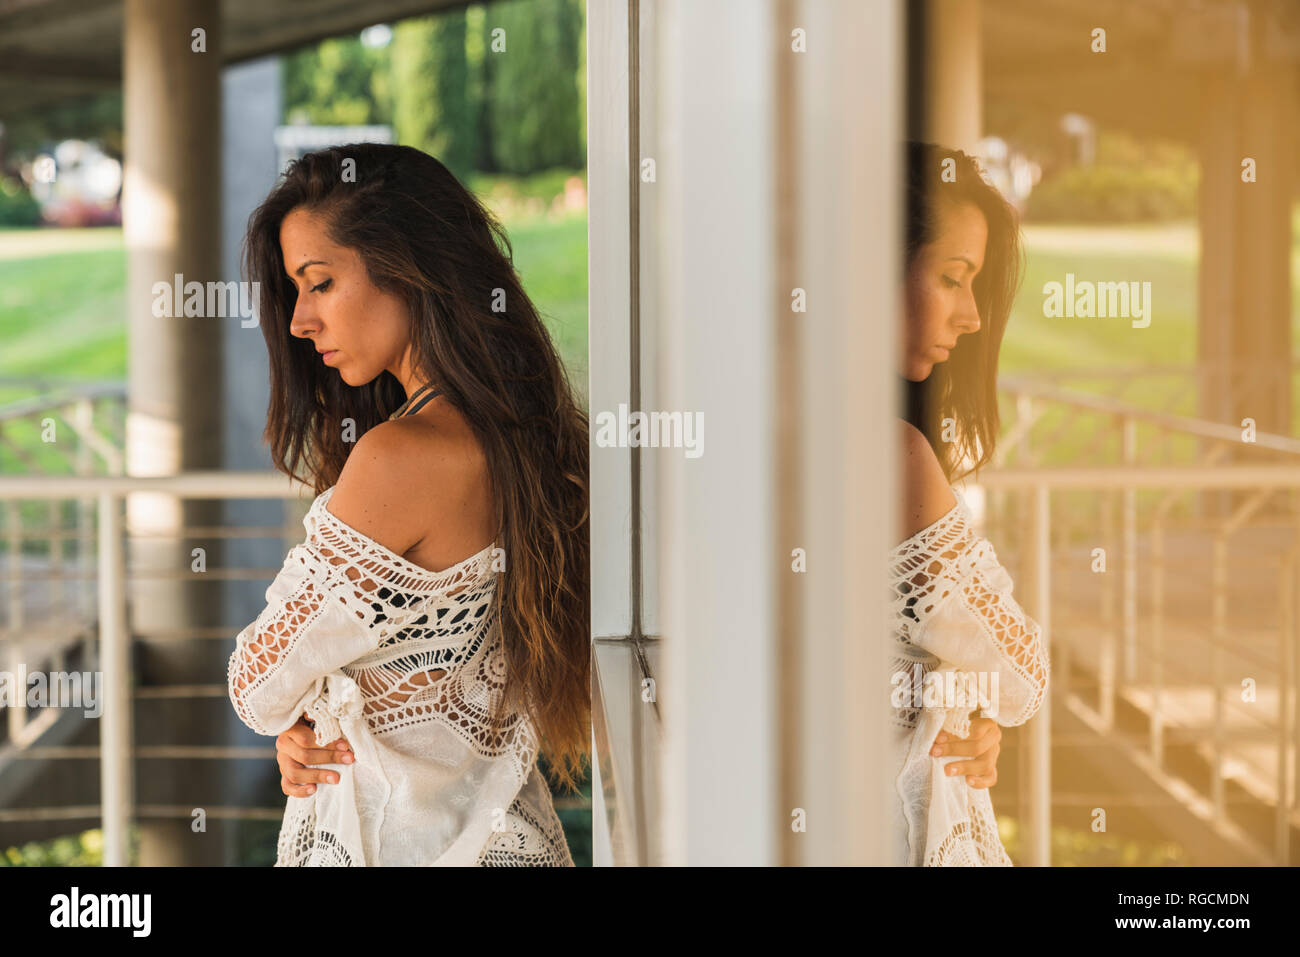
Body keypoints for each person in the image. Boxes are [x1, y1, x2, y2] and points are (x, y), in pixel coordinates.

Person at [227, 143, 588, 866]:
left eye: (319, 283)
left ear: (408, 266)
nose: (300, 320)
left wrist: (296, 707)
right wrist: (321, 710)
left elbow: (258, 682)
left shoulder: (401, 459)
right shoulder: (529, 438)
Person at [890, 141, 1050, 866]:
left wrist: (962, 694)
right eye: (954, 279)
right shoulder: (891, 458)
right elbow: (1023, 675)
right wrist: (976, 690)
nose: (975, 317)